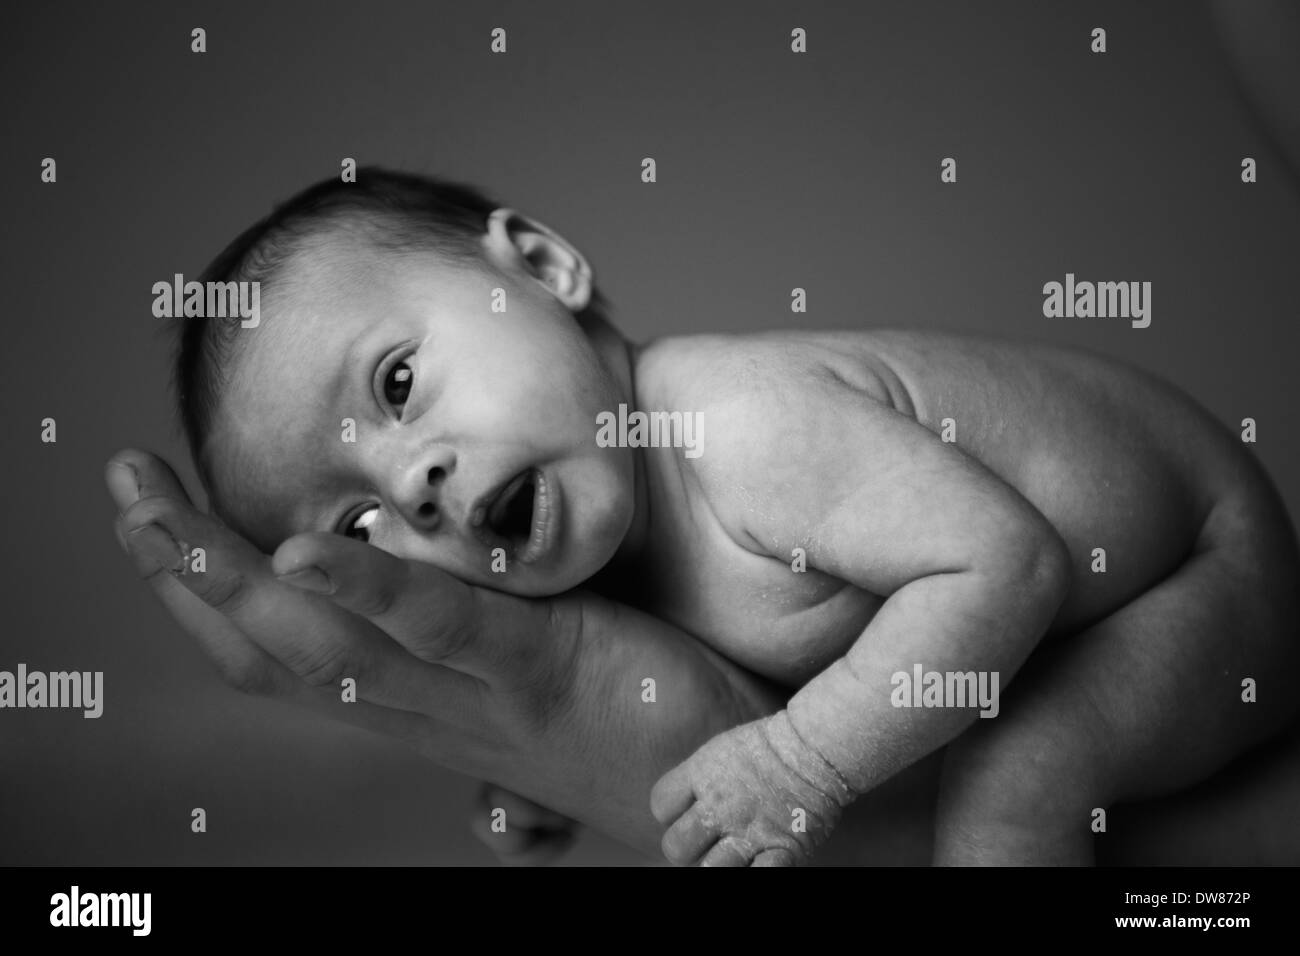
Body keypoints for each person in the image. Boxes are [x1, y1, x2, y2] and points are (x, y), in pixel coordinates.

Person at [108, 169, 1300, 865]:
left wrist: (800, 756)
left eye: (398, 385)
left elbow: (1002, 563)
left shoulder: (739, 427)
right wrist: (549, 786)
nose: (411, 486)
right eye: (361, 523)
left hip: (1198, 570)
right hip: (1091, 612)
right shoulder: (605, 540)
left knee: (1015, 769)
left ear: (541, 265)